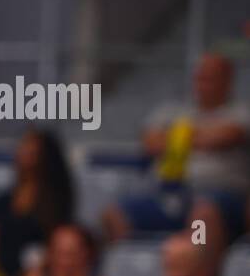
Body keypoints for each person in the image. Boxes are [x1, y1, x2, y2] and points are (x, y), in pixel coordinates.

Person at [105, 53, 249, 252]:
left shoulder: (241, 112)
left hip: (218, 196)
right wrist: (200, 136)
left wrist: (176, 136)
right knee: (115, 215)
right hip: (169, 192)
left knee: (201, 218)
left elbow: (224, 137)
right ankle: (129, 269)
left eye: (210, 78)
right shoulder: (172, 110)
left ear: (228, 80)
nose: (203, 84)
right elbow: (150, 142)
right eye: (200, 77)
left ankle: (197, 272)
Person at [0, 129, 75, 276]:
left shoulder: (56, 200)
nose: (24, 152)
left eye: (32, 149)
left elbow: (54, 244)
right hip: (0, 275)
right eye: (23, 147)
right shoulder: (2, 200)